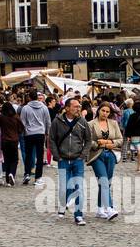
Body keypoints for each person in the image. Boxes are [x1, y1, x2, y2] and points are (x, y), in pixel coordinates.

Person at [49, 95, 91, 225]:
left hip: (77, 159)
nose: (78, 108)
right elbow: (51, 139)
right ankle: (63, 205)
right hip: (63, 159)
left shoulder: (82, 122)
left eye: (79, 106)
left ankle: (78, 215)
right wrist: (57, 156)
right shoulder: (57, 122)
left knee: (79, 188)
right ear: (67, 108)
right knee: (64, 186)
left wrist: (82, 155)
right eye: (75, 106)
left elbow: (88, 140)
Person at [86, 100, 123, 220]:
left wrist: (109, 142)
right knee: (103, 180)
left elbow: (120, 139)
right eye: (103, 110)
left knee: (107, 182)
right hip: (97, 155)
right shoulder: (91, 124)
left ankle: (100, 209)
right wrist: (97, 143)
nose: (105, 113)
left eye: (107, 111)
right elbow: (87, 141)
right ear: (98, 110)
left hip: (111, 154)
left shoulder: (113, 123)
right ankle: (109, 208)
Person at [21, 91, 51, 186]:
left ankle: (27, 174)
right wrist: (47, 132)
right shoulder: (44, 107)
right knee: (40, 156)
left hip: (29, 133)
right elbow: (47, 121)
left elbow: (23, 122)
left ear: (29, 97)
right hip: (40, 133)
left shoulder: (25, 108)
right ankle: (38, 177)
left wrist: (24, 132)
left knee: (28, 155)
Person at [0, 102, 22, 187]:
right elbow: (21, 128)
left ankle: (8, 180)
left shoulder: (2, 117)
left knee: (7, 160)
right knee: (14, 160)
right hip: (14, 141)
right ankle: (12, 173)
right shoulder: (16, 117)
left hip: (4, 141)